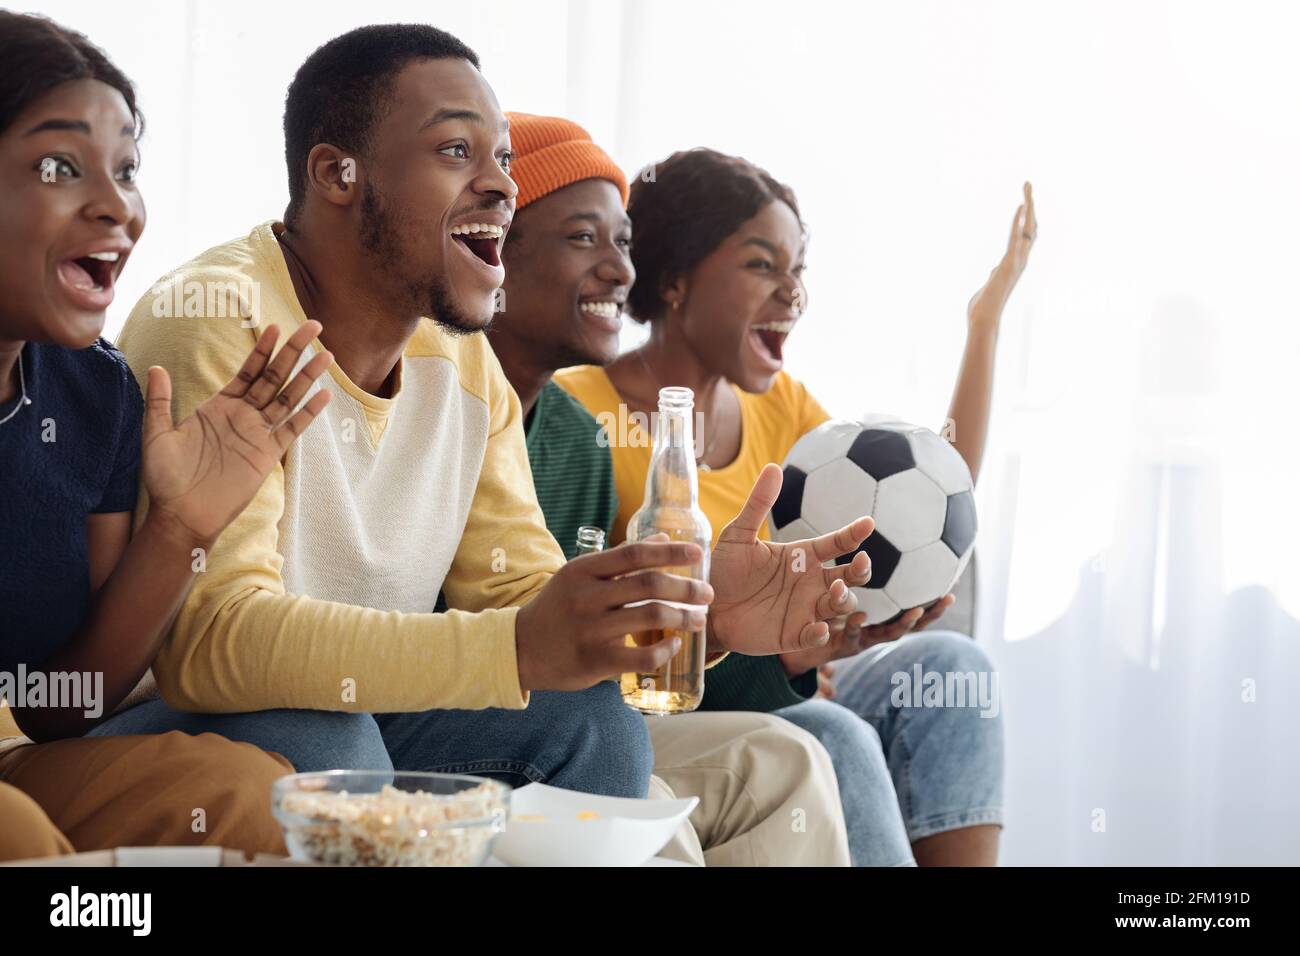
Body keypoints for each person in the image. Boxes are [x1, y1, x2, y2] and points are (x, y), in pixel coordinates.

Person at [102, 25, 870, 815]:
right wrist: (515, 644)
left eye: (501, 157)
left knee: (595, 725)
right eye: (456, 152)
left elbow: (521, 591)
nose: (502, 186)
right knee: (331, 743)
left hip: (353, 710)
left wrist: (688, 617)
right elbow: (210, 644)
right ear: (337, 172)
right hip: (167, 725)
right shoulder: (222, 316)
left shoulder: (462, 359)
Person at [560, 147, 1035, 865]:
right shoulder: (580, 413)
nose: (793, 294)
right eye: (761, 265)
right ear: (676, 279)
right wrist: (777, 660)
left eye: (798, 271)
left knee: (952, 669)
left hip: (794, 676)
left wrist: (984, 324)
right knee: (829, 732)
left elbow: (930, 496)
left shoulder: (781, 410)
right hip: (685, 695)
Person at [481, 112, 857, 865]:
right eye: (584, 238)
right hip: (487, 724)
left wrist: (728, 632)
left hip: (572, 715)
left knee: (789, 757)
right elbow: (550, 659)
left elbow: (593, 659)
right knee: (640, 789)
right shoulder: (477, 402)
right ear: (494, 251)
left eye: (622, 243)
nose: (622, 270)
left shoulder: (574, 441)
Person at [0, 12, 333, 861]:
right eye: (61, 166)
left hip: (17, 755)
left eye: (127, 170)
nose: (117, 207)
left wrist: (183, 530)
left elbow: (62, 706)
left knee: (260, 801)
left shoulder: (95, 392)